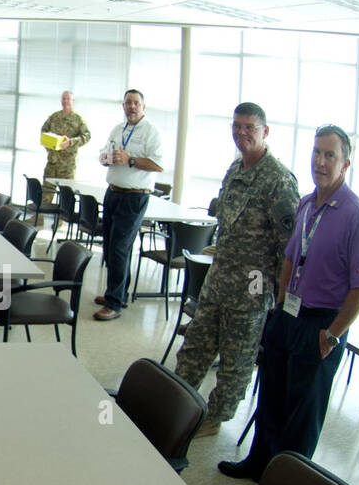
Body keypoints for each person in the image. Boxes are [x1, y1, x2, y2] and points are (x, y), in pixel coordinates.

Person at [219, 125, 359, 481]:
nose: (320, 161)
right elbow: (290, 258)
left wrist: (332, 335)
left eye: (330, 155)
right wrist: (279, 306)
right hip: (288, 316)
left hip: (322, 324)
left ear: (345, 163)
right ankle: (259, 464)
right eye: (317, 152)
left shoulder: (356, 216)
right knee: (271, 398)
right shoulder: (307, 203)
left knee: (302, 414)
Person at [173, 103, 299, 437]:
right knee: (196, 343)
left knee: (236, 355)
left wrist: (278, 296)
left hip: (253, 285)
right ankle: (177, 400)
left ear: (265, 132)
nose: (242, 133)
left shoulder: (279, 181)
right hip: (220, 276)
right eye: (237, 126)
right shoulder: (235, 169)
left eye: (250, 128)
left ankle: (215, 418)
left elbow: (291, 247)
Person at [94, 89, 163, 321]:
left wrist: (130, 160)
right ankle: (119, 293)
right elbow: (105, 151)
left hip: (134, 196)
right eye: (127, 103)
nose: (131, 107)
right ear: (123, 106)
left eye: (135, 103)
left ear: (143, 107)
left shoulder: (151, 131)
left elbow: (158, 164)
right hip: (113, 192)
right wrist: (105, 158)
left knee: (120, 249)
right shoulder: (118, 129)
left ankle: (114, 304)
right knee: (111, 247)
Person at [40, 90, 91, 204]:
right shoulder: (54, 116)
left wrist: (71, 142)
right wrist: (46, 144)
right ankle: (40, 218)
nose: (66, 101)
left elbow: (87, 136)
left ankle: (62, 221)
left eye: (68, 99)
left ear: (73, 101)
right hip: (52, 161)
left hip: (68, 164)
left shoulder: (78, 119)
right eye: (64, 99)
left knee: (66, 194)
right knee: (46, 190)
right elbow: (44, 130)